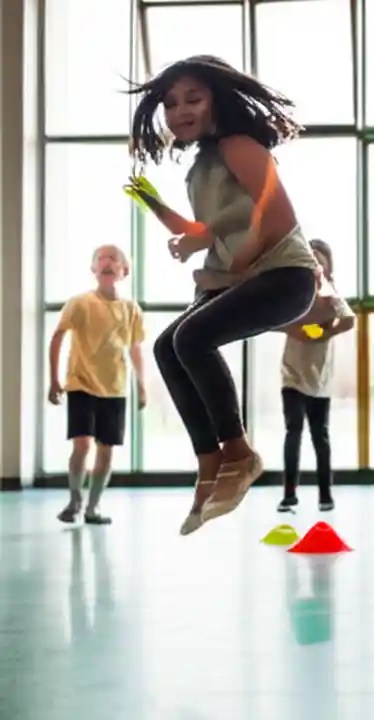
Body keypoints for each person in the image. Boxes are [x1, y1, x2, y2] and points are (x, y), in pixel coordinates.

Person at [125, 55, 324, 535]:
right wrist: (157, 208)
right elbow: (208, 228)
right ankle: (211, 463)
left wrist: (224, 259)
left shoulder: (240, 145)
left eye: (193, 98)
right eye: (171, 104)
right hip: (241, 277)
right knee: (167, 347)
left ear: (217, 98)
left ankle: (239, 455)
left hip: (284, 276)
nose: (180, 110)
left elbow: (278, 221)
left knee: (191, 339)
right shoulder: (201, 166)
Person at [47, 245, 146, 525]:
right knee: (81, 445)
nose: (107, 262)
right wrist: (54, 379)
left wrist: (141, 385)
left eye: (114, 259)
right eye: (101, 258)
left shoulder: (131, 309)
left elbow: (135, 348)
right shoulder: (79, 303)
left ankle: (93, 507)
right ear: (93, 269)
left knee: (106, 449)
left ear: (123, 271)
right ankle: (75, 500)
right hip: (80, 383)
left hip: (114, 388)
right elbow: (57, 337)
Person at [277, 239, 355, 513]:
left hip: (320, 377)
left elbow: (349, 319)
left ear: (327, 266)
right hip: (292, 375)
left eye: (319, 260)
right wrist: (293, 329)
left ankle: (325, 494)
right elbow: (273, 319)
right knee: (293, 430)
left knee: (320, 436)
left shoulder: (330, 294)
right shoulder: (291, 293)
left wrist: (324, 332)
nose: (315, 264)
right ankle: (289, 494)